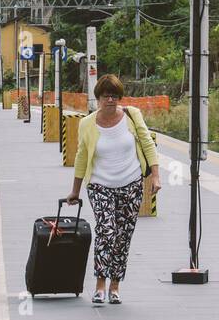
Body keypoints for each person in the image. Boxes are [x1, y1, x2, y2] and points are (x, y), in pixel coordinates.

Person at [66, 74, 161, 304]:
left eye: (115, 96)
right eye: (106, 96)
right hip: (100, 185)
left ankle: (115, 285)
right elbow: (81, 156)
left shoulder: (132, 115)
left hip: (131, 184)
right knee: (106, 230)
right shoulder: (87, 123)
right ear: (98, 98)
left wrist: (156, 176)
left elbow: (147, 142)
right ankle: (100, 284)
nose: (111, 100)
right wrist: (75, 191)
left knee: (123, 237)